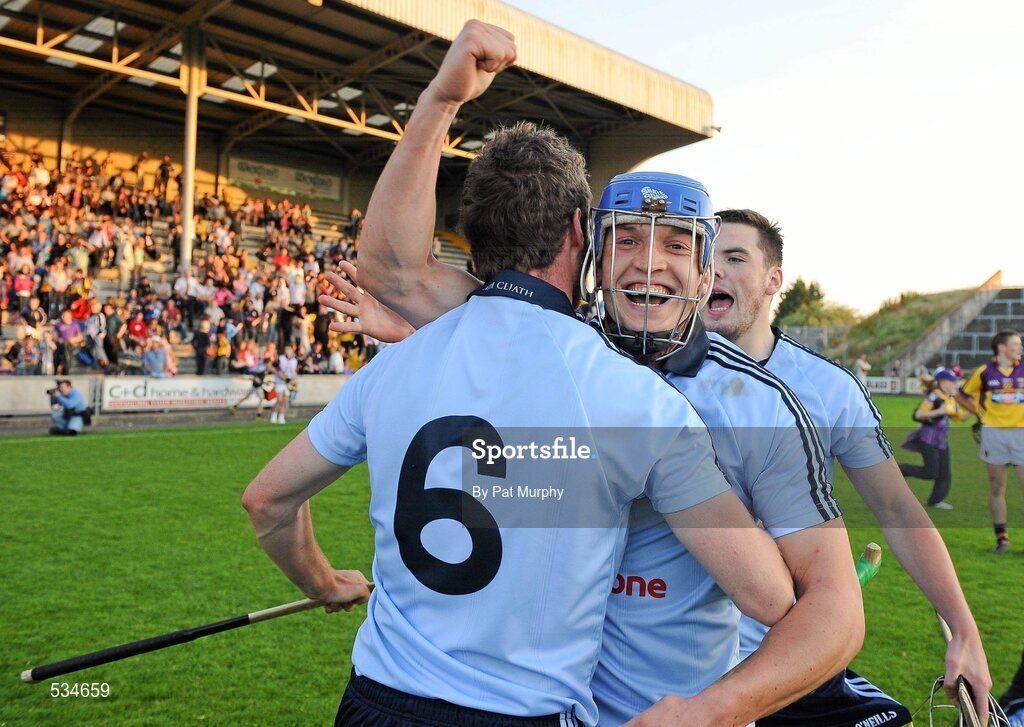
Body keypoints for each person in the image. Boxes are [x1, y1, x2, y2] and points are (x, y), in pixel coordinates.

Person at [244, 20, 795, 727]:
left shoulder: (398, 363)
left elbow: (268, 502)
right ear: (578, 232)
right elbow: (768, 596)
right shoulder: (638, 402)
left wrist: (321, 581)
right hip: (519, 714)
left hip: (373, 701)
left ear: (471, 232)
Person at [325, 173, 866, 726]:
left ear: (706, 270)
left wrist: (712, 710)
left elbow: (835, 608)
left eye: (676, 243)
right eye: (627, 239)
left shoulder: (761, 408)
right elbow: (399, 275)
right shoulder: (541, 346)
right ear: (594, 255)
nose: (649, 262)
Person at [701, 208, 991, 723]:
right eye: (707, 257)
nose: (714, 270)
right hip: (678, 658)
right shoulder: (647, 373)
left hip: (789, 651)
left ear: (774, 280)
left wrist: (965, 630)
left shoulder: (828, 388)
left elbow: (897, 510)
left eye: (735, 257)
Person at [956, 329, 1024, 555]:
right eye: (1015, 343)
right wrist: (980, 413)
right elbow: (961, 394)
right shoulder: (984, 372)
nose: (1020, 347)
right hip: (993, 434)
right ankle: (1002, 538)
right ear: (1002, 347)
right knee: (997, 486)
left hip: (1021, 433)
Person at [899, 369, 969, 509]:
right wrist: (940, 411)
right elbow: (919, 414)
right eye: (952, 381)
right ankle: (899, 471)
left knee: (944, 473)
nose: (955, 384)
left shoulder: (950, 398)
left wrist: (977, 408)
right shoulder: (934, 396)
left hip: (941, 441)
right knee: (930, 472)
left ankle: (935, 501)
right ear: (943, 382)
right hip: (928, 439)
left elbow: (961, 417)